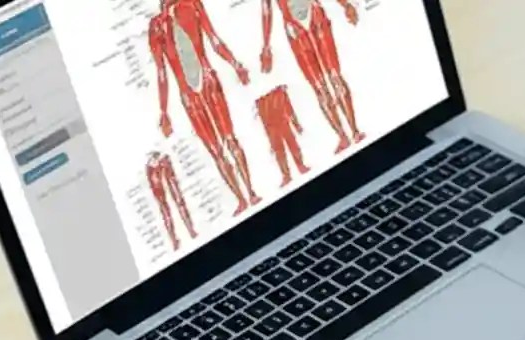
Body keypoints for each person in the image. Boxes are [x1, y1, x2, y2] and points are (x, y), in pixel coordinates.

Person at [149, 0, 262, 216]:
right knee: (216, 150)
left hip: (208, 82)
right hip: (190, 96)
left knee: (229, 140)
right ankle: (241, 198)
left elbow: (214, 40)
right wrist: (163, 112)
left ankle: (250, 192)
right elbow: (161, 72)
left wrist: (236, 65)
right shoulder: (156, 27)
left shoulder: (192, 5)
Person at [260, 0, 365, 154]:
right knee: (320, 85)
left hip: (312, 18)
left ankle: (352, 132)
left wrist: (345, 5)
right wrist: (266, 46)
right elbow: (266, 8)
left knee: (331, 78)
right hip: (297, 27)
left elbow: (266, 9)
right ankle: (345, 135)